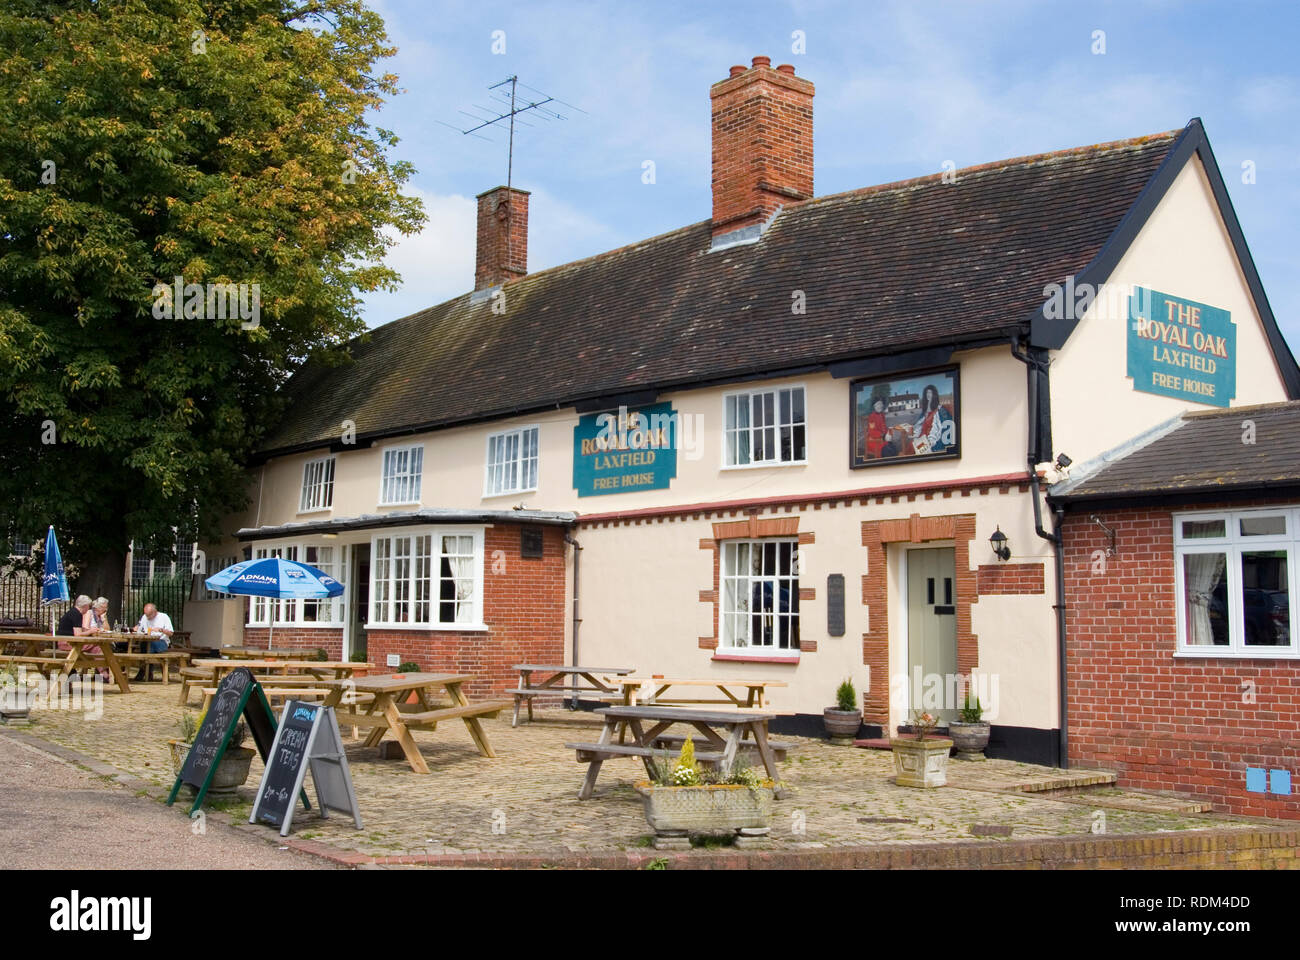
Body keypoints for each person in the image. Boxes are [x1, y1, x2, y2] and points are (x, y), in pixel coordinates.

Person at [133, 602, 174, 682]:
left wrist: (161, 629)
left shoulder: (164, 617)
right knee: (145, 644)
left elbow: (171, 633)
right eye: (146, 615)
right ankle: (147, 670)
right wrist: (137, 628)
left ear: (155, 612)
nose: (147, 617)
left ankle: (145, 670)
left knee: (149, 644)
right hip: (148, 640)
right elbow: (140, 628)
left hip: (162, 642)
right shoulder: (144, 617)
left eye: (149, 615)